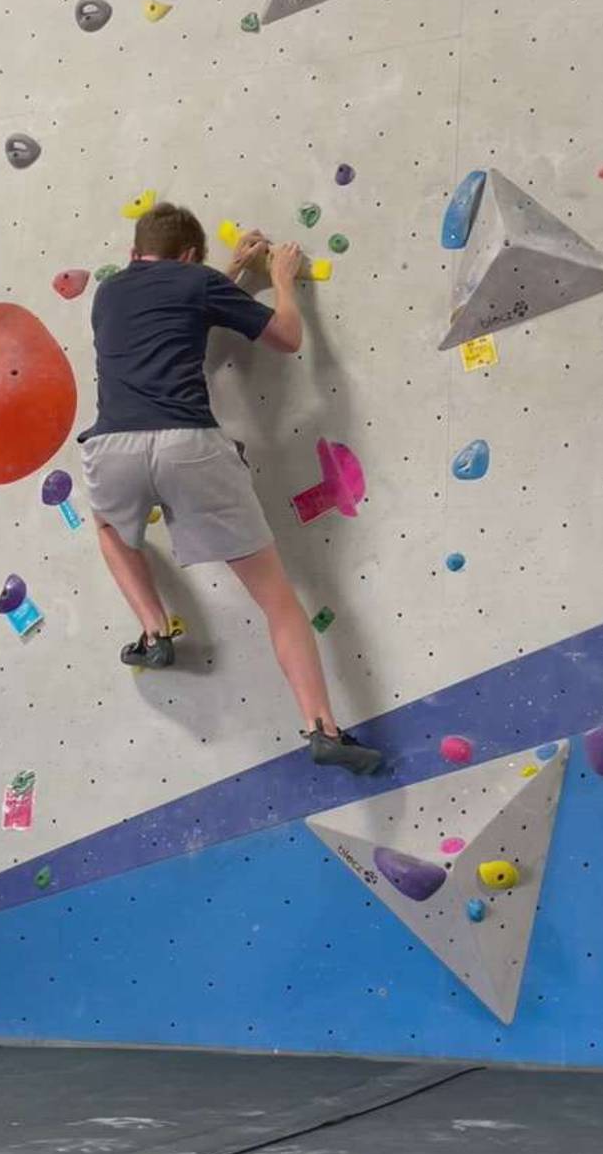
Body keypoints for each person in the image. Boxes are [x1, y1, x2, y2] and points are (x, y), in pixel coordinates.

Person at [78, 201, 383, 776]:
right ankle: (323, 728)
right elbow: (286, 337)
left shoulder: (109, 292)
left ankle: (152, 629)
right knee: (278, 600)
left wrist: (231, 272)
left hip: (114, 447)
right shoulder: (198, 282)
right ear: (192, 256)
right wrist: (282, 282)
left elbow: (173, 306)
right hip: (190, 448)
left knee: (111, 530)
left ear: (134, 252)